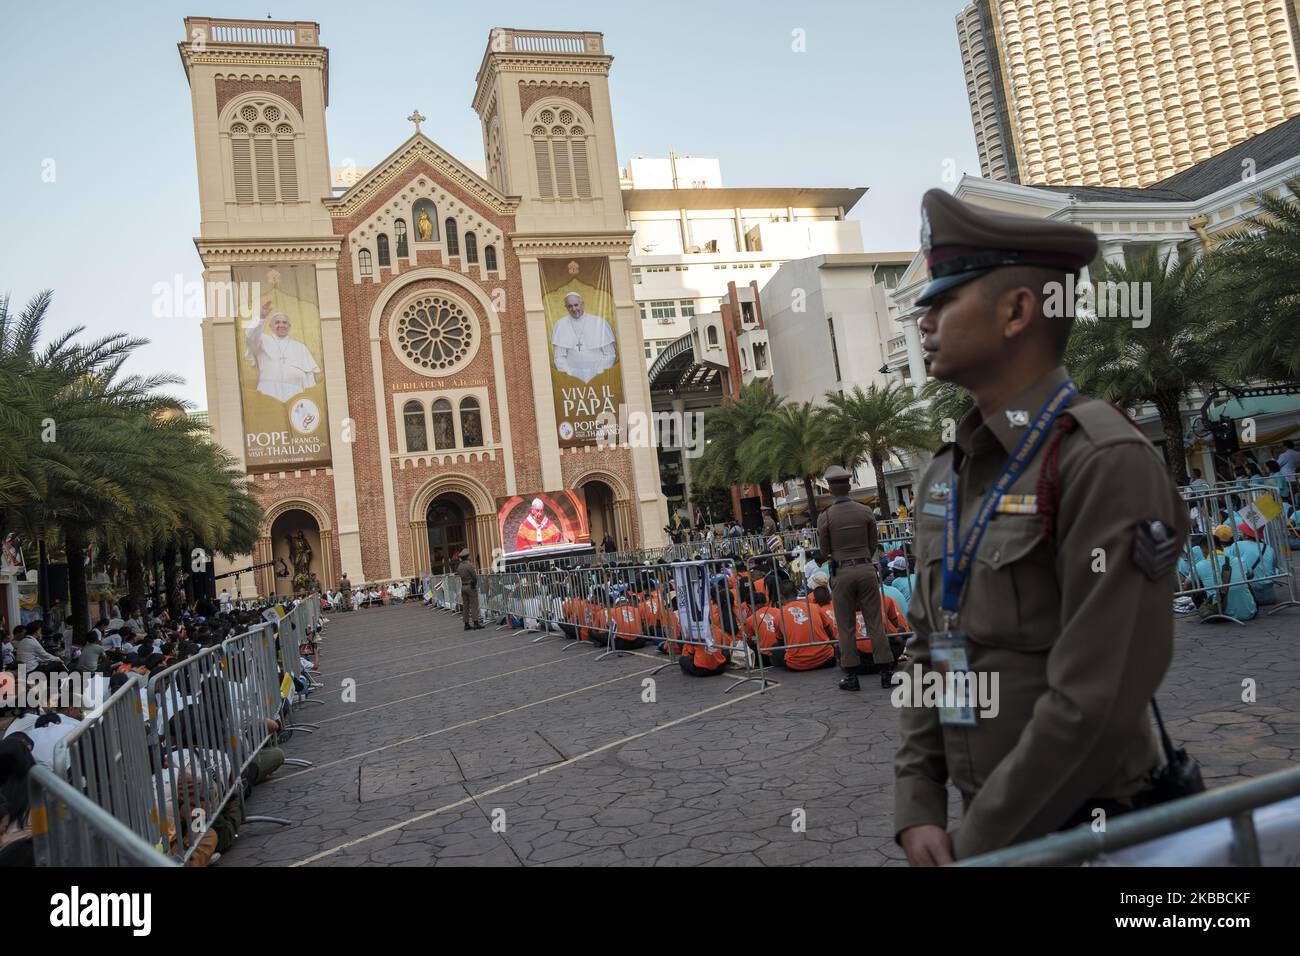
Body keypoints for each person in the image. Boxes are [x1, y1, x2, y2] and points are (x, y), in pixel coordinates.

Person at [894, 189, 1190, 865]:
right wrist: (917, 803)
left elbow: (1097, 700)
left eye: (945, 299)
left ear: (1018, 311)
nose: (924, 317)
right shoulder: (947, 475)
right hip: (991, 838)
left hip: (1099, 836)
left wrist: (980, 845)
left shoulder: (1102, 460)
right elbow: (926, 650)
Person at [818, 465, 891, 691]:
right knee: (875, 622)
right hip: (866, 568)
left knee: (846, 625)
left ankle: (851, 675)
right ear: (849, 486)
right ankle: (886, 671)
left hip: (842, 571)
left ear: (830, 489)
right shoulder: (865, 511)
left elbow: (823, 550)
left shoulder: (826, 516)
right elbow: (873, 544)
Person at [243, 304, 321, 402]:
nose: (281, 325)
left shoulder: (300, 347)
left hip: (296, 393)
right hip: (269, 391)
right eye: (277, 322)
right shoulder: (262, 340)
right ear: (271, 326)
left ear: (289, 326)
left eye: (284, 322)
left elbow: (309, 375)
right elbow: (250, 336)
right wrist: (261, 317)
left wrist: (311, 397)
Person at [551, 292, 616, 384]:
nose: (573, 309)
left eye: (576, 305)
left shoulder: (599, 323)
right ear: (566, 307)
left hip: (599, 377)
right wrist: (570, 375)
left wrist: (598, 373)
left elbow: (610, 354)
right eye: (570, 306)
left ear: (582, 304)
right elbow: (559, 357)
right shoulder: (561, 325)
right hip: (573, 378)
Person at [457, 549, 484, 630]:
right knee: (474, 604)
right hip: (470, 586)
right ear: (467, 557)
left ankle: (466, 624)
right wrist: (474, 584)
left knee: (465, 606)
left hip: (463, 586)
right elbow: (474, 577)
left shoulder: (460, 566)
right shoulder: (469, 565)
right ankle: (476, 623)